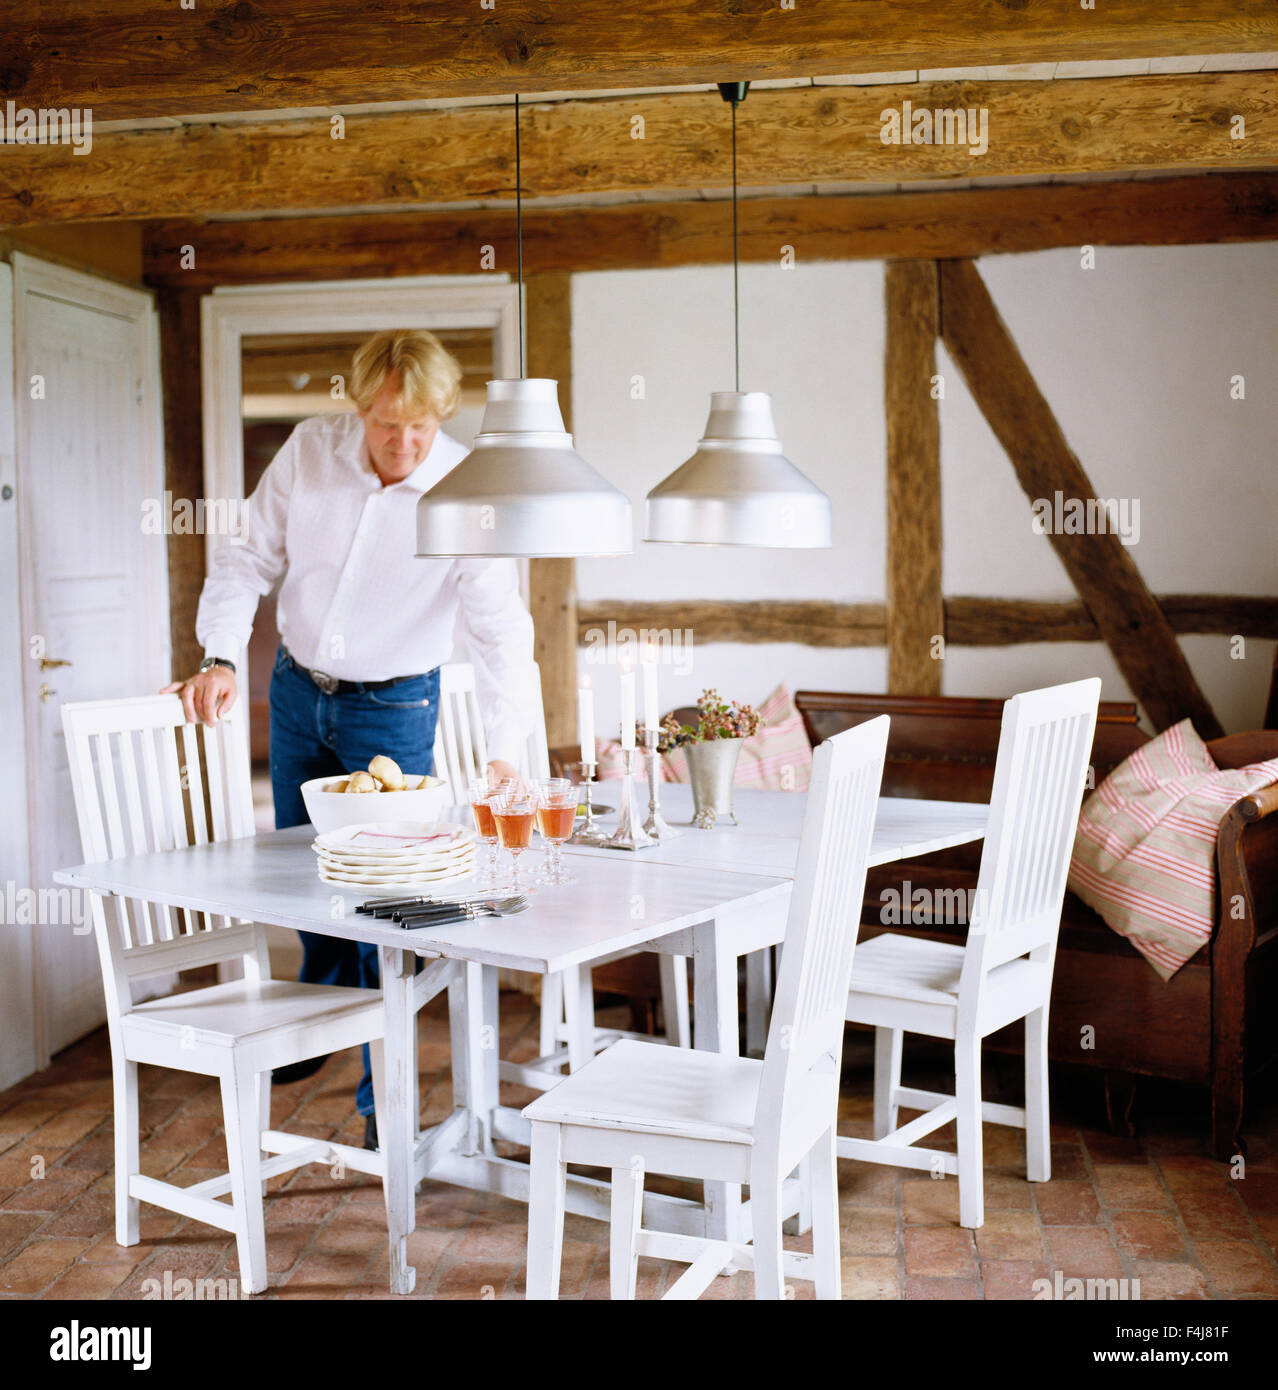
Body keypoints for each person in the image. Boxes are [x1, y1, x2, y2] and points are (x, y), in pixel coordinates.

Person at [163, 329, 534, 1149]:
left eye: (422, 428)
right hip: (297, 693)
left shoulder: (465, 490)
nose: (403, 445)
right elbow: (246, 557)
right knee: (301, 869)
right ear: (358, 407)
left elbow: (504, 635)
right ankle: (324, 1002)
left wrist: (506, 754)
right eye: (385, 424)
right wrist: (220, 657)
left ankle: (381, 1107)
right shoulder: (308, 453)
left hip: (395, 708)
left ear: (443, 417)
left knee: (382, 906)